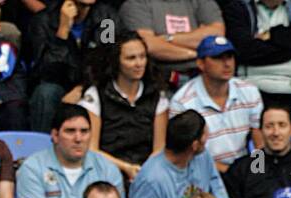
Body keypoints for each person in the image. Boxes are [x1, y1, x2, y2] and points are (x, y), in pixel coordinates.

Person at [78, 34, 168, 186]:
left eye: (142, 56)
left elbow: (159, 149)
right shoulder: (96, 95)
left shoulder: (156, 95)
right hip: (105, 171)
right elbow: (91, 149)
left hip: (146, 172)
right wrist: (126, 168)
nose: (139, 63)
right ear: (116, 62)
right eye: (131, 58)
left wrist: (144, 172)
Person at [26, 0, 124, 140]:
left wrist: (82, 88)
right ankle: (42, 151)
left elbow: (108, 61)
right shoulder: (44, 21)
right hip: (59, 85)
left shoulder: (106, 18)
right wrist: (62, 31)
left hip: (96, 83)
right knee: (45, 93)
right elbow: (45, 72)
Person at [169, 36, 264, 172]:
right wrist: (232, 173)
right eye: (218, 58)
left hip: (244, 171)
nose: (227, 64)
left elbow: (258, 139)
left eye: (230, 57)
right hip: (201, 172)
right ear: (201, 64)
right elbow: (186, 153)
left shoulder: (249, 91)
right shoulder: (182, 102)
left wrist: (257, 170)